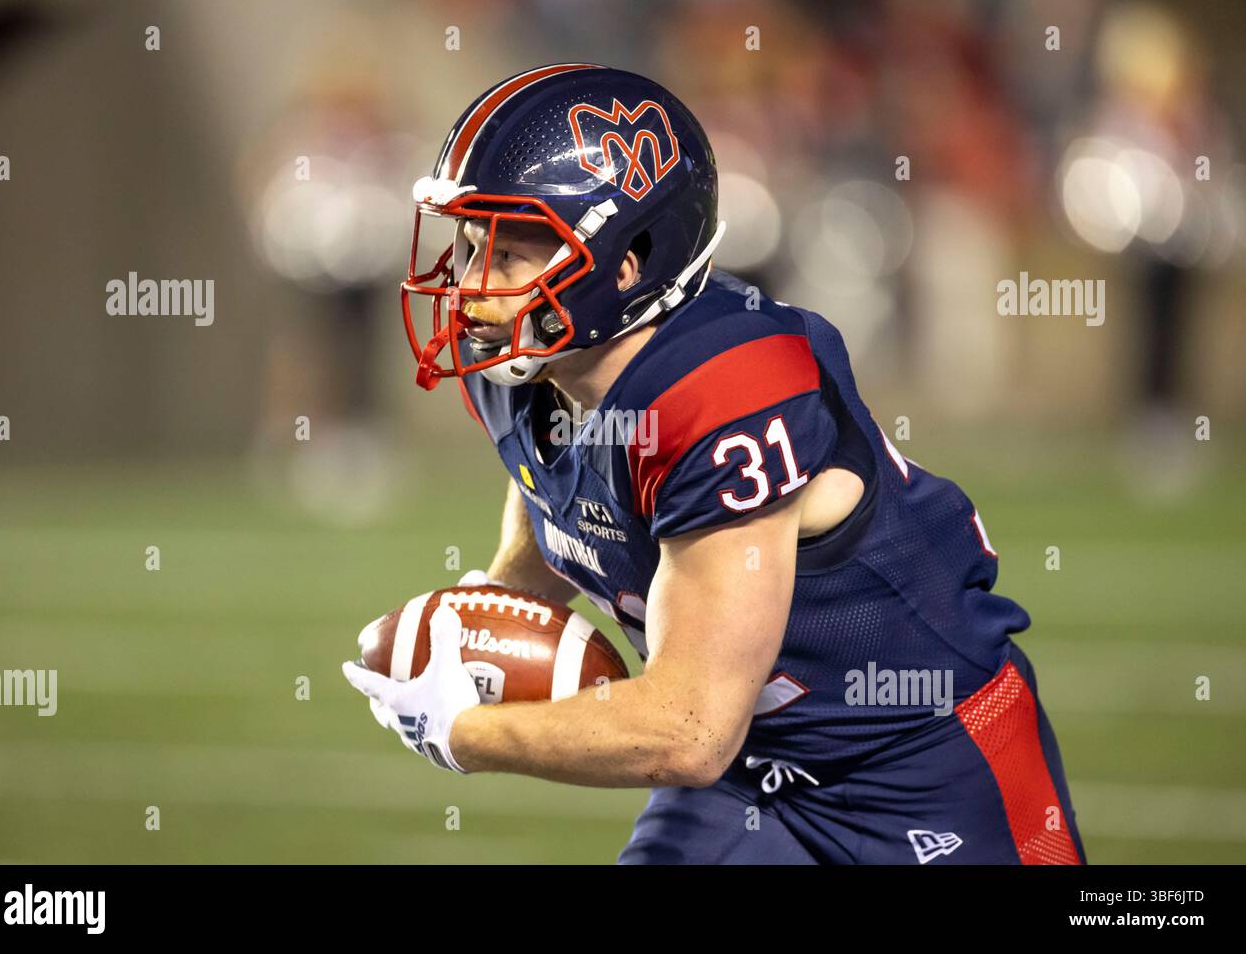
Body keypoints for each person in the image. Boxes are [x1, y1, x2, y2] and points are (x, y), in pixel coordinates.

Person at [343, 63, 1085, 864]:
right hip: (746, 780)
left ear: (622, 265)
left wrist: (466, 732)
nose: (470, 285)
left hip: (918, 759)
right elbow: (548, 484)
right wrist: (495, 600)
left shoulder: (727, 392)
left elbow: (689, 729)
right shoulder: (526, 367)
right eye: (469, 240)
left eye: (511, 252)